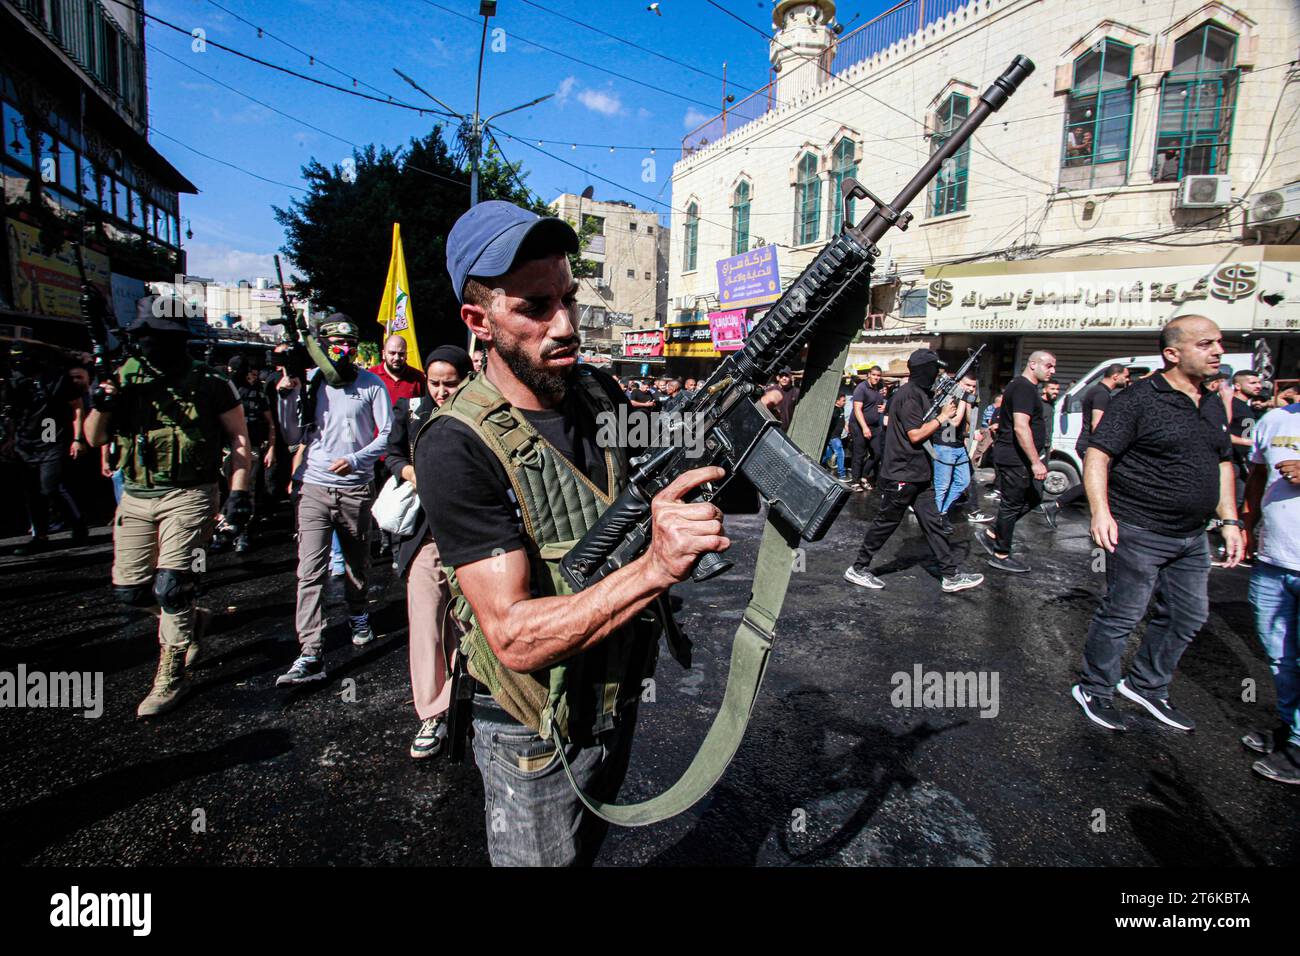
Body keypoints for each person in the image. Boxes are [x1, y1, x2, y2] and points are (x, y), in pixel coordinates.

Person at [415, 200, 727, 866]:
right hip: (534, 733)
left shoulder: (599, 396)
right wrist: (654, 570)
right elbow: (513, 635)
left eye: (569, 299)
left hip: (613, 699)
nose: (565, 325)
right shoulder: (455, 447)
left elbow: (674, 457)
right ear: (479, 321)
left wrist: (738, 422)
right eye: (535, 307)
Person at [1071, 315, 1244, 732]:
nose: (1218, 350)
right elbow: (1099, 454)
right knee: (1123, 614)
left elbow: (1221, 461)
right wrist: (1101, 512)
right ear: (1172, 353)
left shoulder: (1212, 401)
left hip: (1192, 536)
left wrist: (1230, 520)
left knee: (1187, 616)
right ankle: (1095, 687)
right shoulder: (1138, 400)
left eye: (1219, 342)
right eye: (1205, 344)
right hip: (1138, 529)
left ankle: (1147, 685)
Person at [84, 295, 252, 716]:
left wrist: (238, 490)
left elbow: (239, 439)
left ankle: (170, 674)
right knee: (131, 591)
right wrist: (102, 404)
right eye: (146, 338)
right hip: (137, 495)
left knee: (172, 585)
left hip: (190, 493)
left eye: (161, 338)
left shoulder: (210, 383)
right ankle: (192, 618)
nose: (152, 346)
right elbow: (95, 438)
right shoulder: (124, 378)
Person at [275, 316, 393, 686]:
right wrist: (287, 395)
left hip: (356, 489)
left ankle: (358, 613)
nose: (342, 349)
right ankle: (310, 650)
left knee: (358, 564)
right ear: (322, 344)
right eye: (334, 342)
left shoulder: (372, 384)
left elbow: (386, 434)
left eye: (349, 342)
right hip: (314, 486)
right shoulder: (311, 383)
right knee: (310, 570)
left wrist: (357, 459)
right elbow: (293, 433)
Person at [387, 345, 473, 758]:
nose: (441, 391)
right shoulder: (411, 410)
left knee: (473, 624)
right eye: (435, 383)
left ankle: (476, 697)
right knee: (426, 624)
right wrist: (410, 471)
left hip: (474, 538)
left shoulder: (483, 416)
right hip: (425, 538)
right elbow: (389, 455)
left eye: (450, 383)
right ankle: (433, 712)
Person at [844, 349, 984, 594]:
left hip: (918, 472)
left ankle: (950, 575)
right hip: (902, 472)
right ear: (923, 370)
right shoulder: (909, 396)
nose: (936, 375)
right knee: (886, 523)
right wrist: (941, 418)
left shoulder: (920, 393)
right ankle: (858, 568)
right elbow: (915, 434)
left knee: (934, 523)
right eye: (933, 370)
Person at [1240, 400, 1300, 782]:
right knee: (1281, 657)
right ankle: (1290, 729)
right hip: (1274, 560)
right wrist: (1246, 525)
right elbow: (1257, 476)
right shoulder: (1275, 419)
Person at [974, 351, 1056, 573]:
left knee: (1033, 497)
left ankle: (992, 531)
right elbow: (1021, 426)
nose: (1053, 371)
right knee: (1011, 504)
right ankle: (1001, 554)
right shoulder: (1022, 387)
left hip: (1017, 458)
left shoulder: (1026, 388)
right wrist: (1035, 461)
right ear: (1032, 364)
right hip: (1014, 458)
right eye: (1048, 366)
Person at [7, 346, 89, 554]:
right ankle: (40, 535)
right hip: (26, 441)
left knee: (50, 487)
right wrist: (10, 439)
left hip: (50, 435)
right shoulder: (15, 380)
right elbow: (12, 413)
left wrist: (78, 438)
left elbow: (77, 405)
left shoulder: (55, 378)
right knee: (32, 492)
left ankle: (77, 524)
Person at [1048, 364, 1131, 520]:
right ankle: (1055, 505)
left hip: (1088, 443)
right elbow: (1097, 423)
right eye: (1125, 376)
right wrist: (1103, 449)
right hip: (1091, 445)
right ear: (1115, 376)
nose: (1127, 380)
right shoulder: (1101, 394)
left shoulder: (1098, 391)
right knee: (1096, 482)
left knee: (1100, 482)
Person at [932, 372, 978, 535]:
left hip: (958, 446)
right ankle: (936, 518)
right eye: (967, 385)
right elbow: (955, 421)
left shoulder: (963, 398)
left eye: (973, 386)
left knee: (963, 481)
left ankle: (942, 512)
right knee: (942, 486)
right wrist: (963, 397)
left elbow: (969, 420)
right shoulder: (948, 397)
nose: (971, 389)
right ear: (958, 383)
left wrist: (968, 401)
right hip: (944, 445)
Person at [849, 366, 886, 491]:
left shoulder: (879, 388)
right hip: (859, 425)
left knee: (877, 453)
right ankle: (855, 481)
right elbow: (857, 409)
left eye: (878, 375)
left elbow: (879, 404)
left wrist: (884, 408)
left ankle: (863, 477)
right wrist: (864, 427)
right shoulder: (861, 388)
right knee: (859, 453)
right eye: (874, 375)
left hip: (874, 426)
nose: (876, 377)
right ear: (869, 374)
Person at [369, 334, 425, 405]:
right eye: (392, 353)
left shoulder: (418, 378)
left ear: (406, 355)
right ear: (383, 354)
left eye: (401, 354)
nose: (397, 358)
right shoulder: (370, 376)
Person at [822, 392, 848, 479]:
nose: (845, 402)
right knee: (840, 453)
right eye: (843, 401)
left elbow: (842, 421)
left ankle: (819, 467)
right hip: (833, 437)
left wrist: (846, 427)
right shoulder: (834, 410)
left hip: (837, 436)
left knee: (827, 455)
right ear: (837, 401)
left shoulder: (842, 409)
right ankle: (842, 474)